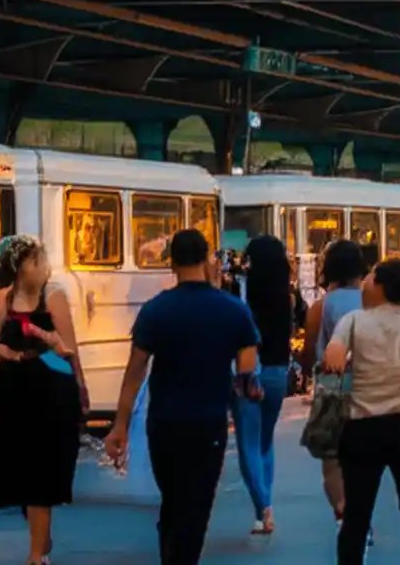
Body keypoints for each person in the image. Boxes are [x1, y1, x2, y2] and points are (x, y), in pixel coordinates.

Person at [105, 229, 261, 565]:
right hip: (208, 424)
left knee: (173, 500)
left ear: (172, 262)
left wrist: (120, 425)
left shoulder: (155, 311)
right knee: (198, 504)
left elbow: (135, 372)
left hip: (164, 422)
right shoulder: (234, 311)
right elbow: (247, 375)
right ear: (208, 259)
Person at [324, 259, 400, 565]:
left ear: (382, 287)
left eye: (371, 278)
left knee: (357, 514)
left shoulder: (354, 321)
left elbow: (333, 355)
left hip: (362, 425)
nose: (365, 283)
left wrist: (335, 360)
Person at [0, 235, 86, 565]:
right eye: (38, 259)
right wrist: (14, 356)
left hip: (41, 391)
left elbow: (67, 349)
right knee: (24, 471)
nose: (43, 265)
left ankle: (36, 554)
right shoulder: (13, 297)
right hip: (28, 390)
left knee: (38, 473)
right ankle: (40, 540)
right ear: (26, 265)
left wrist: (80, 386)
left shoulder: (46, 296)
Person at [300, 239, 369, 524]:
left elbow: (308, 353)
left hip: (332, 389)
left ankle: (343, 510)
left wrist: (310, 374)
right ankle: (361, 514)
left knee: (332, 460)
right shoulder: (372, 303)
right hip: (368, 390)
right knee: (363, 460)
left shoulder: (321, 306)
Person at [231, 235, 293, 535]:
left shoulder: (242, 293)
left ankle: (263, 506)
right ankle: (264, 505)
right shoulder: (286, 296)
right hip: (278, 373)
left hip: (249, 372)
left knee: (248, 445)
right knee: (266, 441)